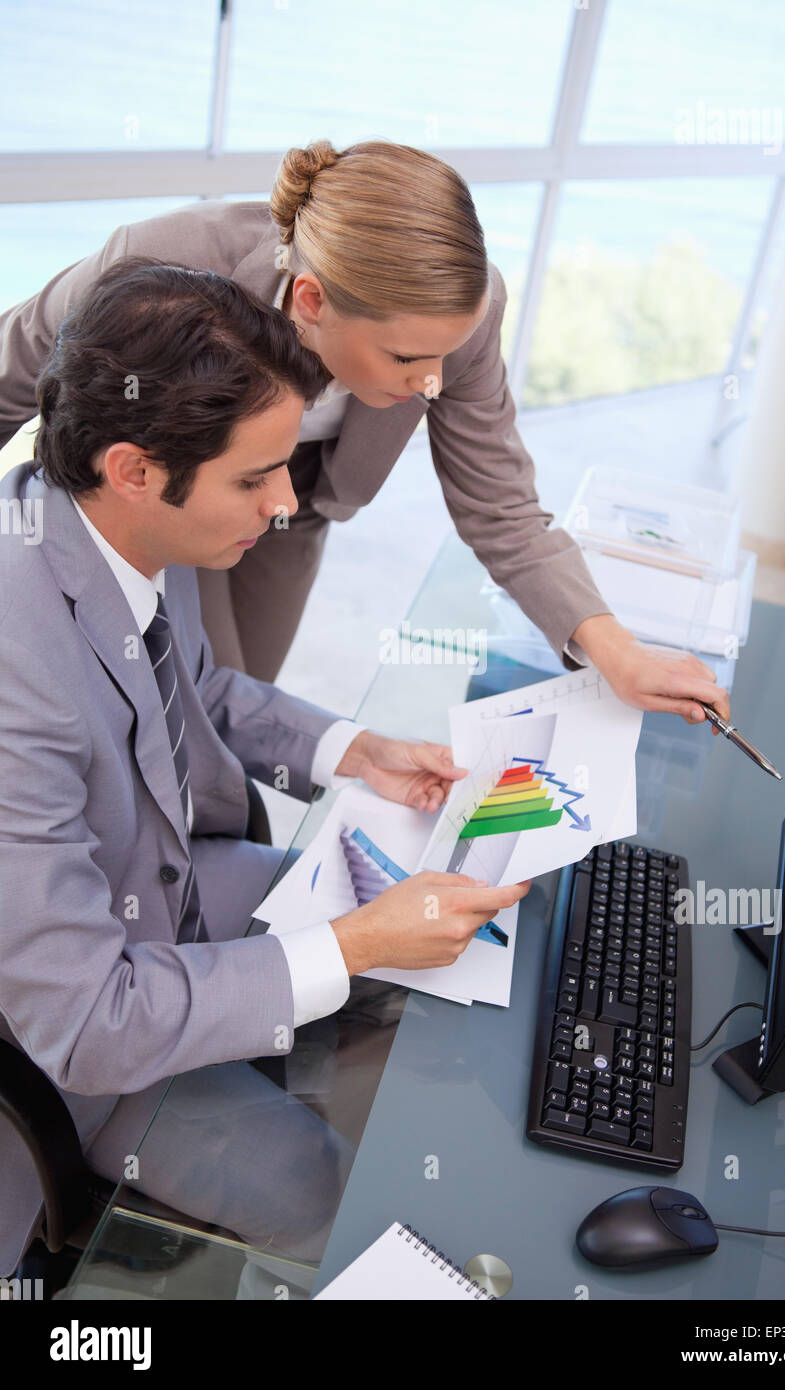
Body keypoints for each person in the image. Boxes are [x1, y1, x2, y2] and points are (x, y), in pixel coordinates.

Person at [0, 259, 529, 1278]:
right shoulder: (16, 681)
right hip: (79, 1040)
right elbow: (82, 1020)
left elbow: (199, 685)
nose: (285, 505)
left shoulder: (111, 532)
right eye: (255, 478)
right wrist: (354, 938)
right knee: (320, 1185)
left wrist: (351, 748)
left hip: (165, 897)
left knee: (431, 958)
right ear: (134, 467)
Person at [0, 137, 729, 731]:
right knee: (185, 703)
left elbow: (500, 502)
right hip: (166, 496)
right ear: (311, 300)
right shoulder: (163, 260)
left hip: (301, 503)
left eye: (442, 357)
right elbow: (15, 360)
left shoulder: (455, 318)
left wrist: (617, 651)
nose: (432, 381)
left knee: (245, 701)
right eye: (407, 360)